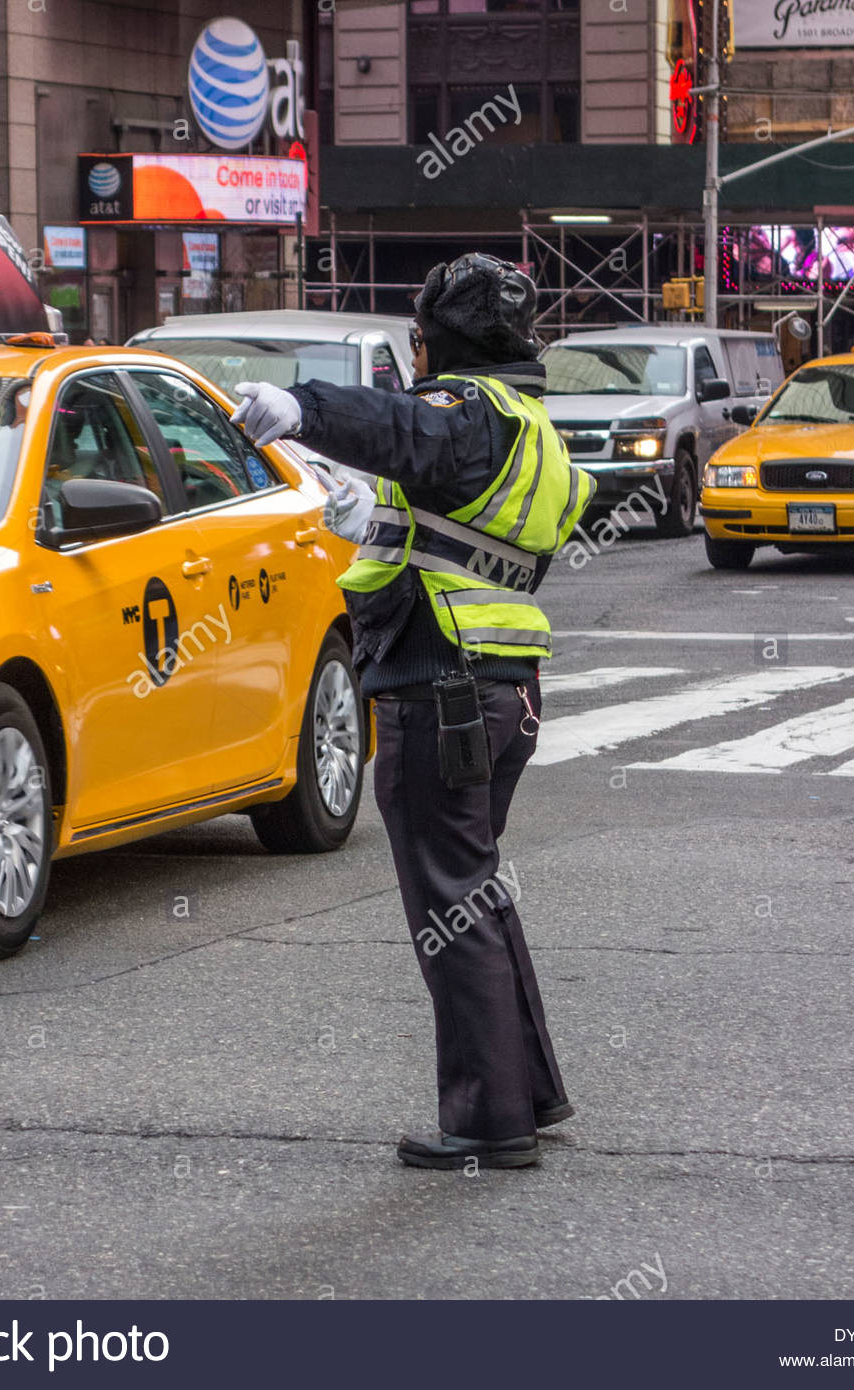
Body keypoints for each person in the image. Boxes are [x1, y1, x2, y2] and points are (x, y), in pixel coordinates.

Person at [231, 253, 593, 1170]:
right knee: (478, 893)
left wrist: (301, 406)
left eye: (420, 340)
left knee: (454, 906)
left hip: (443, 684)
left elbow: (406, 430)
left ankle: (486, 1123)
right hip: (503, 685)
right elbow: (452, 522)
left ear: (443, 343)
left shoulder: (465, 413)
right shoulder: (530, 426)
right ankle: (529, 1092)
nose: (415, 357)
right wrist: (365, 514)